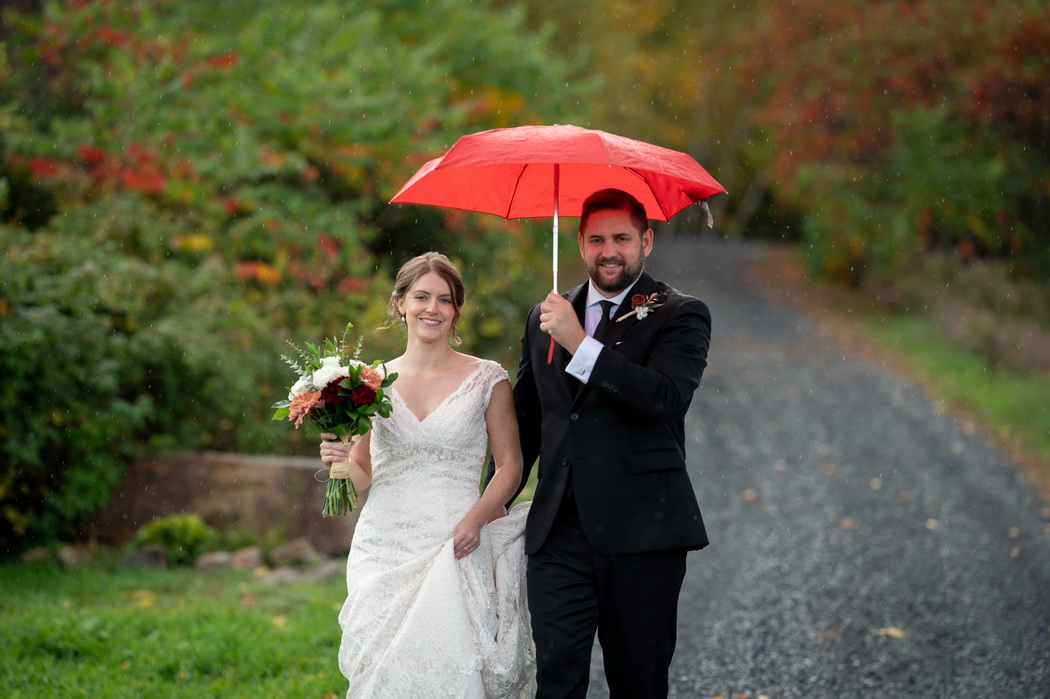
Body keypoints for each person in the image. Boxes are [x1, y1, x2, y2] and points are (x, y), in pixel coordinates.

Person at [508, 188, 711, 698]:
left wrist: (580, 343)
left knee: (637, 681)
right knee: (555, 678)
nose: (609, 250)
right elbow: (527, 420)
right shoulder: (545, 317)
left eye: (621, 238)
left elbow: (663, 398)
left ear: (645, 241)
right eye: (596, 239)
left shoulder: (679, 314)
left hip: (643, 530)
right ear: (579, 244)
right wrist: (492, 496)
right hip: (559, 529)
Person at [318, 252, 534, 698]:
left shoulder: (487, 378)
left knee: (448, 669)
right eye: (421, 297)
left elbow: (510, 466)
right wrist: (336, 459)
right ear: (399, 303)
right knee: (385, 674)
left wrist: (476, 520)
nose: (432, 308)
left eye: (445, 299)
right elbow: (362, 473)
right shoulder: (370, 382)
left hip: (452, 543)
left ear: (456, 310)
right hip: (383, 545)